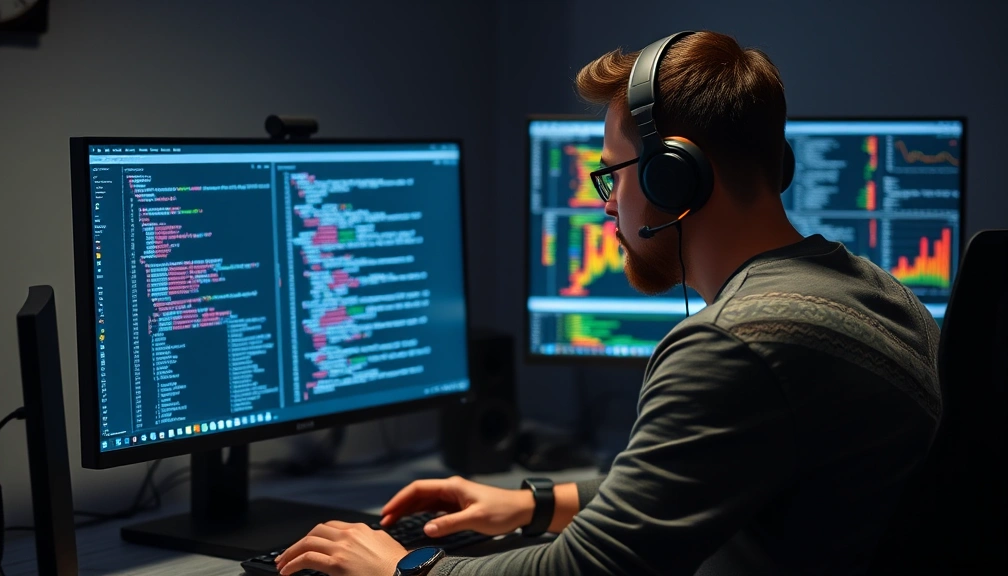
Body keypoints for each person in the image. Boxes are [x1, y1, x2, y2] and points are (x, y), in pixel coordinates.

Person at [273, 29, 942, 576]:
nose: (606, 208)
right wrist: (531, 503)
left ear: (672, 176)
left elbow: (592, 568)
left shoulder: (734, 343)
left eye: (610, 176)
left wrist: (400, 568)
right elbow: (698, 476)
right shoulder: (877, 291)